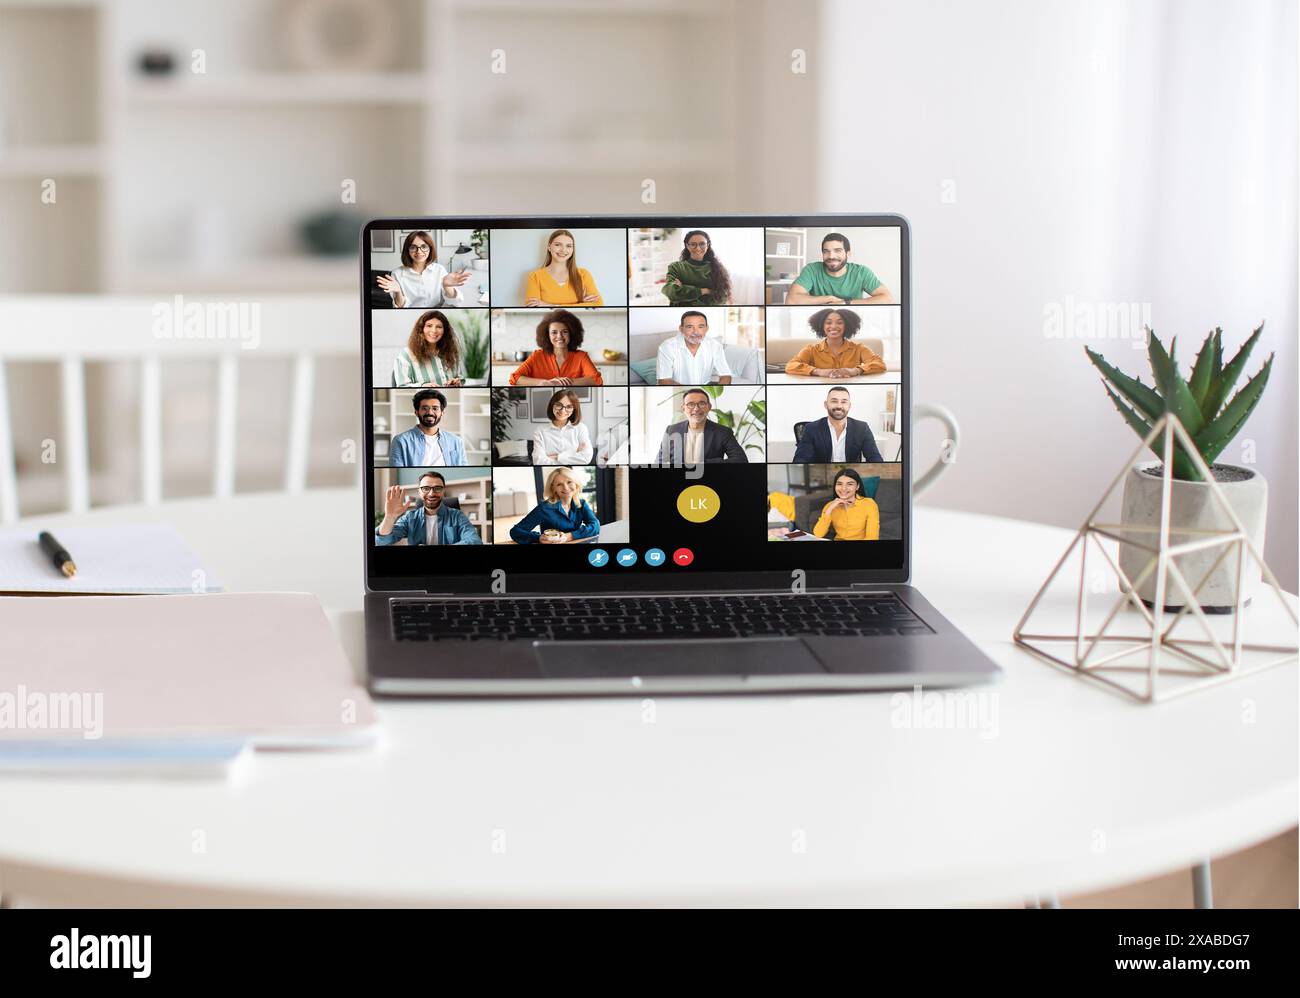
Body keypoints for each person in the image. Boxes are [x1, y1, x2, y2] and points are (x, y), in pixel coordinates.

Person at [375, 471, 483, 546]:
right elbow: (382, 541)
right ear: (419, 492)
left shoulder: (457, 515)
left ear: (443, 491)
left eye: (437, 488)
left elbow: (475, 541)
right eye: (426, 488)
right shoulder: (410, 517)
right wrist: (389, 517)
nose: (431, 493)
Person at [785, 232, 893, 305]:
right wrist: (829, 299)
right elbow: (791, 300)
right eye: (826, 251)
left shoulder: (861, 272)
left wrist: (846, 302)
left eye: (837, 250)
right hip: (820, 322)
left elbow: (888, 299)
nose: (831, 256)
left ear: (848, 253)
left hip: (853, 321)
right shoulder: (812, 270)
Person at [376, 230, 471, 308]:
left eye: (424, 246)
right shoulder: (396, 273)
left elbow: (455, 303)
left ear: (430, 249)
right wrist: (398, 292)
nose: (419, 251)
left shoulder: (439, 270)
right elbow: (400, 308)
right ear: (407, 250)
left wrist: (447, 287)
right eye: (413, 247)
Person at [508, 309, 603, 386]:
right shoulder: (537, 356)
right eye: (554, 332)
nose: (559, 336)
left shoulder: (581, 357)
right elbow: (514, 378)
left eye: (564, 331)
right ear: (547, 335)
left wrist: (565, 382)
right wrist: (543, 383)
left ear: (572, 334)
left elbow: (597, 380)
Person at [784, 308, 887, 378]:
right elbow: (790, 366)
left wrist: (855, 371)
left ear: (847, 325)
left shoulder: (859, 349)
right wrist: (818, 371)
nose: (833, 326)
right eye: (828, 323)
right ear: (821, 326)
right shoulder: (811, 350)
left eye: (839, 322)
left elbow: (880, 365)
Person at [656, 388, 747, 465]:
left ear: (709, 407)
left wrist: (704, 464)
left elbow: (741, 460)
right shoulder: (672, 430)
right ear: (683, 408)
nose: (696, 409)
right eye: (691, 404)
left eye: (702, 404)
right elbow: (659, 462)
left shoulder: (723, 432)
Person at [792, 387, 884, 463]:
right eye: (834, 401)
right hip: (822, 477)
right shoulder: (812, 428)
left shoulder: (862, 428)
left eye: (844, 402)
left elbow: (874, 457)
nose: (839, 406)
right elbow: (801, 459)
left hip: (851, 477)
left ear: (849, 406)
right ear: (826, 404)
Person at [510, 466, 599, 544]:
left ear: (576, 483)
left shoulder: (581, 504)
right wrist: (538, 538)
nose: (566, 488)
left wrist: (568, 536)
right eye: (559, 484)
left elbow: (595, 525)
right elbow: (516, 531)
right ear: (553, 488)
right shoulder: (544, 508)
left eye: (569, 482)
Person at [524, 229, 603, 307]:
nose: (563, 250)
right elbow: (532, 307)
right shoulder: (535, 276)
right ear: (549, 247)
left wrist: (551, 306)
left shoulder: (583, 274)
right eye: (558, 245)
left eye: (568, 246)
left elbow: (598, 304)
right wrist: (580, 304)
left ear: (572, 249)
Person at [388, 389, 467, 467]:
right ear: (416, 412)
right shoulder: (401, 441)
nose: (430, 412)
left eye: (435, 408)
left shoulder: (456, 441)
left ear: (442, 412)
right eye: (424, 408)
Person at [391, 310, 465, 387]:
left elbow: (460, 378)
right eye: (429, 326)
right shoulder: (406, 354)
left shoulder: (451, 351)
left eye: (439, 327)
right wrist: (423, 386)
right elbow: (402, 386)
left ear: (444, 331)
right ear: (421, 329)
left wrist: (457, 382)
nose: (434, 330)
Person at [656, 311, 732, 385]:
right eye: (689, 327)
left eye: (700, 327)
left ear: (706, 328)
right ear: (681, 329)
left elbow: (726, 375)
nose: (696, 332)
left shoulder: (715, 346)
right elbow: (664, 380)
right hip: (680, 388)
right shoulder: (667, 347)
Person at [663, 229, 733, 306]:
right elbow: (671, 292)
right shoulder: (676, 267)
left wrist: (683, 291)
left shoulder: (717, 269)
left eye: (702, 244)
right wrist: (704, 291)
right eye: (693, 244)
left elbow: (721, 299)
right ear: (687, 246)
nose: (698, 248)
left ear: (708, 245)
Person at [813, 467, 880, 541]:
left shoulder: (869, 504)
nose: (843, 488)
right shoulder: (830, 506)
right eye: (839, 484)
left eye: (849, 484)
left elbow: (872, 537)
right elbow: (818, 534)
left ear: (857, 486)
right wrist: (829, 510)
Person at [533, 390, 593, 465]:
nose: (562, 410)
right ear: (552, 405)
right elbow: (538, 462)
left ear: (574, 410)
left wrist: (557, 457)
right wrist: (573, 455)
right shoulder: (540, 431)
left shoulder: (580, 428)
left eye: (569, 407)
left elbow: (586, 458)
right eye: (558, 405)